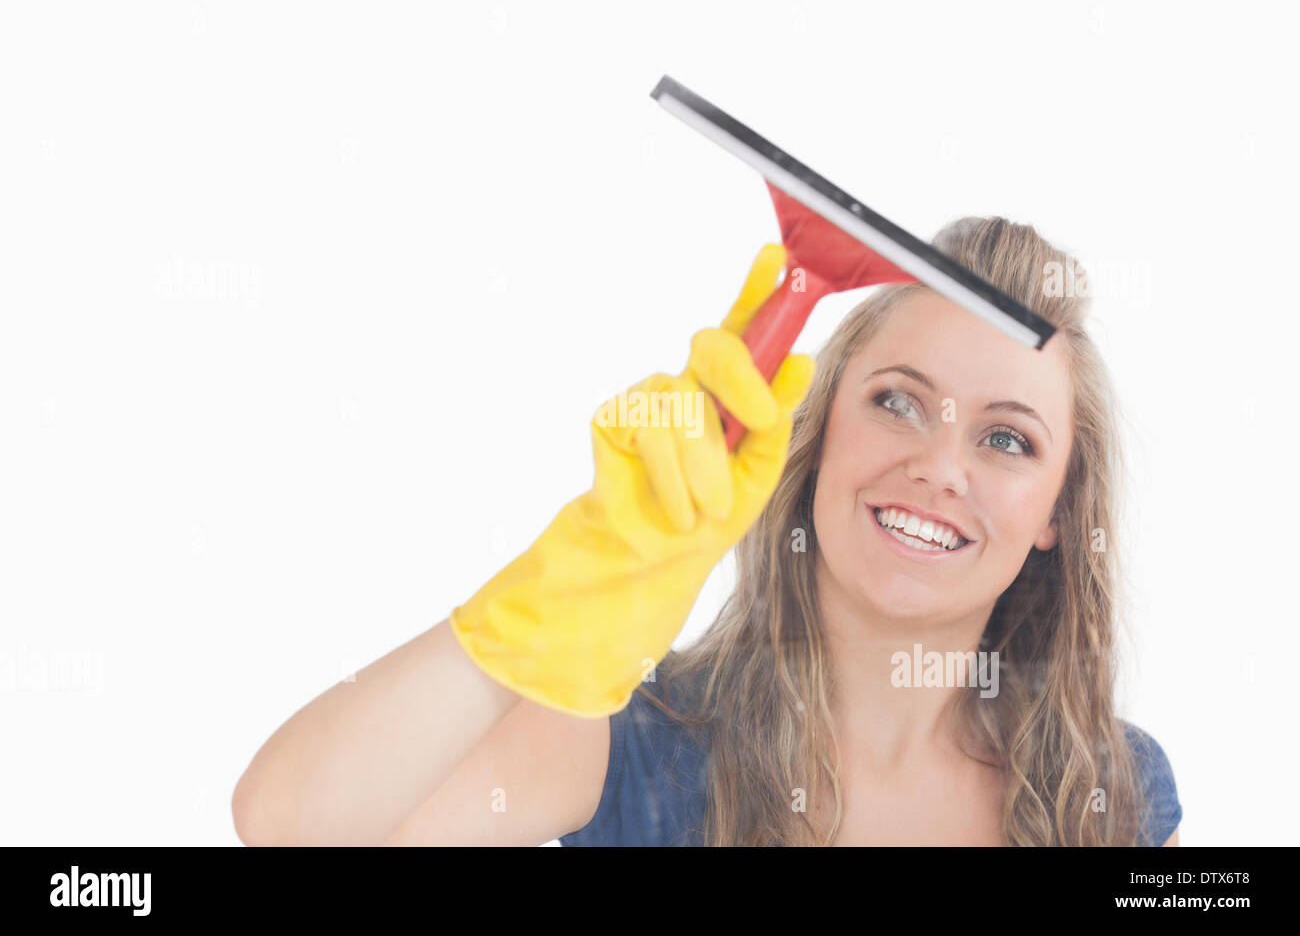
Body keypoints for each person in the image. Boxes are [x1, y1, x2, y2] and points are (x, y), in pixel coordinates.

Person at [232, 216, 1181, 846]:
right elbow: (290, 823)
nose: (939, 465)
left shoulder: (1113, 791)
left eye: (1006, 437)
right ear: (816, 433)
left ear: (1058, 513)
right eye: (898, 401)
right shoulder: (641, 747)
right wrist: (555, 596)